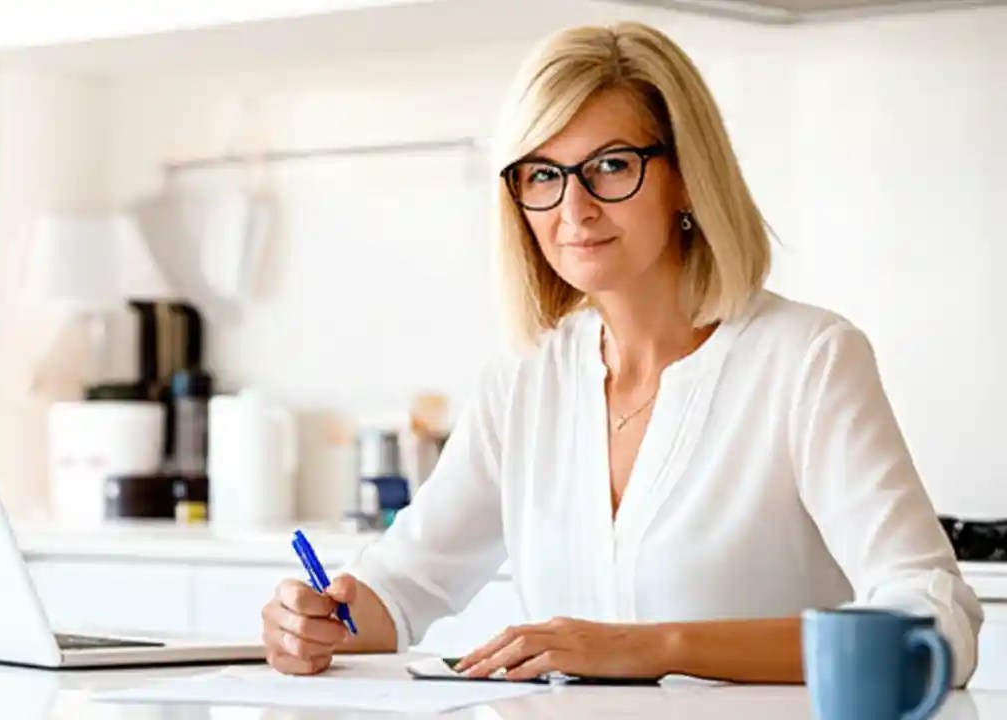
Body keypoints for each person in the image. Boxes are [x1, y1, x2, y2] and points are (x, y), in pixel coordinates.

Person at [259, 21, 982, 685]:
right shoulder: (524, 381)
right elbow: (400, 588)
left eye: (610, 164)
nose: (574, 209)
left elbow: (933, 622)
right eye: (542, 173)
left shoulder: (808, 361)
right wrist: (319, 624)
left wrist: (650, 647)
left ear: (686, 176)